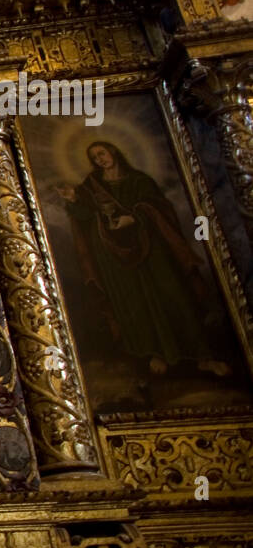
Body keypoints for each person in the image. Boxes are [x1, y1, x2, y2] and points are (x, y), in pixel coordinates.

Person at [55, 140, 231, 378]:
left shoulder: (140, 181)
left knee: (173, 295)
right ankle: (155, 353)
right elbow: (85, 217)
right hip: (111, 254)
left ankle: (202, 357)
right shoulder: (90, 186)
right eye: (95, 158)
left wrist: (135, 217)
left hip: (152, 248)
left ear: (113, 152)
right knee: (134, 302)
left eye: (102, 154)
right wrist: (74, 200)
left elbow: (161, 209)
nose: (100, 160)